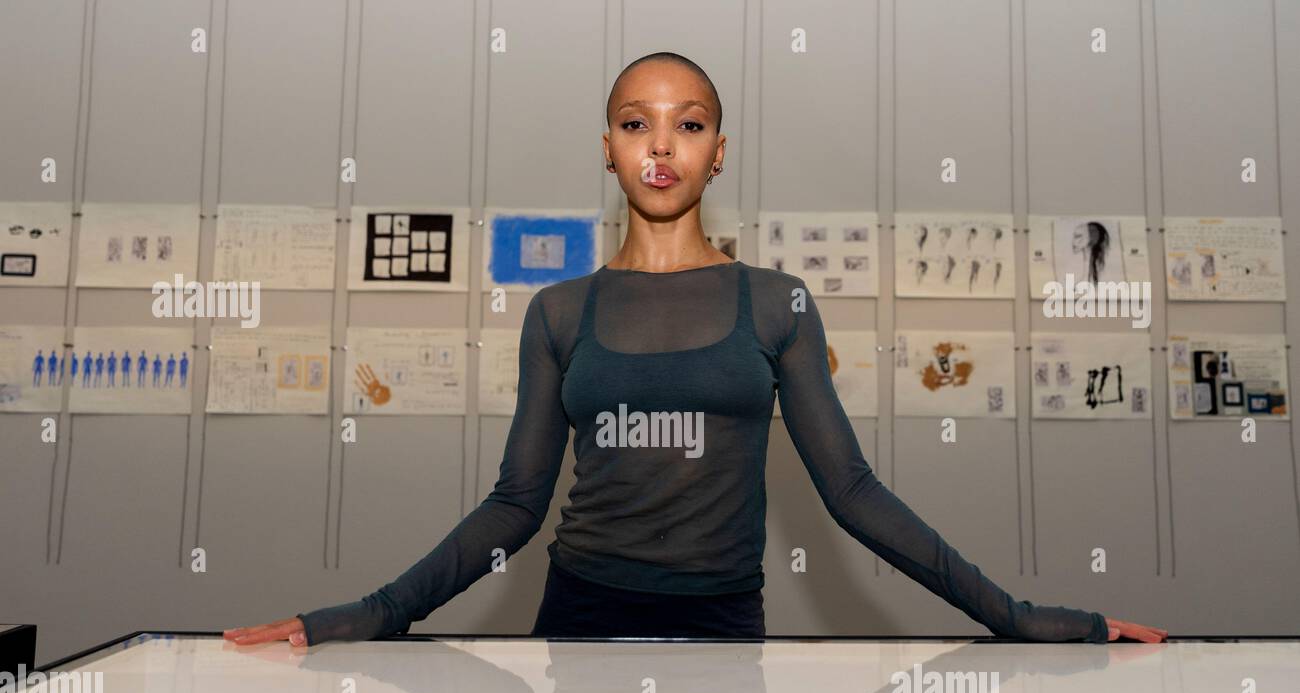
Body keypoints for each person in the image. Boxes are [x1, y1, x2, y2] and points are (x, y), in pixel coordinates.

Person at [225, 52, 1166, 649]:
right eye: (637, 124)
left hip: (722, 626)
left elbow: (853, 494)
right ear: (608, 149)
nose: (661, 145)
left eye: (689, 123)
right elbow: (515, 506)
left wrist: (1019, 616)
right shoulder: (558, 311)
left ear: (720, 152)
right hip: (579, 621)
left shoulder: (776, 303)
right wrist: (368, 613)